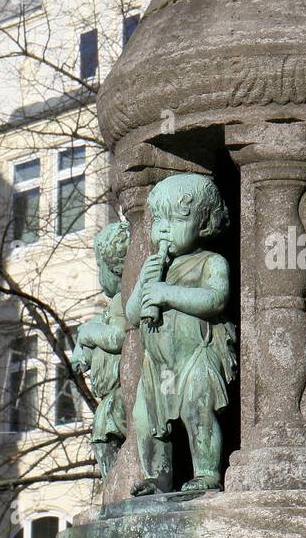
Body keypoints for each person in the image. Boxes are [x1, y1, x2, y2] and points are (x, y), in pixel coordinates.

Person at [125, 173, 235, 495]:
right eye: (159, 218)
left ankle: (206, 472)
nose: (164, 227)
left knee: (196, 407)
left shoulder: (210, 262)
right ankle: (158, 476)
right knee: (145, 419)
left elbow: (216, 299)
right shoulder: (155, 266)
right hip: (160, 365)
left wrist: (166, 293)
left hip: (197, 357)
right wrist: (146, 284)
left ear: (205, 223)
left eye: (178, 218)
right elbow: (133, 315)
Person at [71, 221, 130, 478]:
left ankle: (116, 485)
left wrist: (87, 333)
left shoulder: (121, 300)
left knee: (105, 439)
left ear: (113, 266)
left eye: (99, 266)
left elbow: (117, 337)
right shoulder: (115, 305)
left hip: (119, 395)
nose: (98, 273)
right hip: (111, 394)